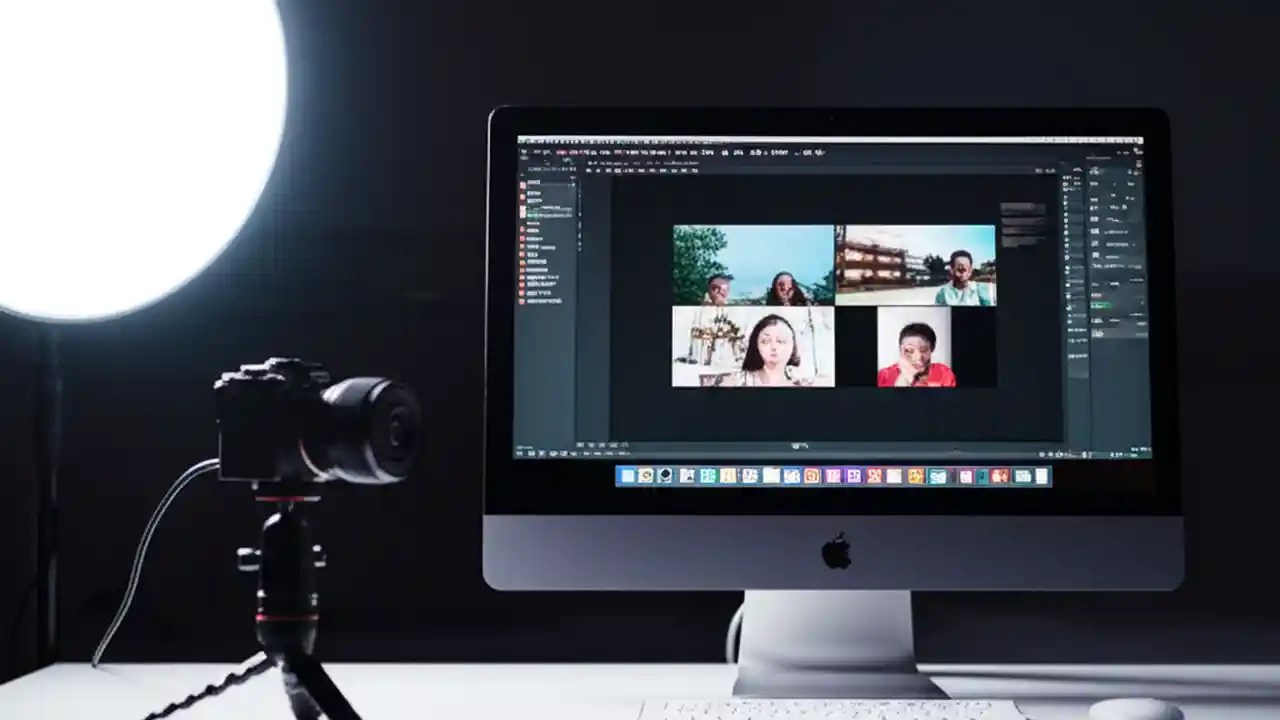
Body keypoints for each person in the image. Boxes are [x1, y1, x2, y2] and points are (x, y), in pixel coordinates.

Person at [712, 314, 829, 386]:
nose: (774, 347)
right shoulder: (734, 382)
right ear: (756, 345)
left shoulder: (803, 384)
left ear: (793, 346)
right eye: (766, 341)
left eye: (781, 341)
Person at [876, 322, 957, 388]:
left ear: (932, 349)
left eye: (923, 350)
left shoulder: (945, 374)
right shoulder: (883, 376)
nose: (918, 357)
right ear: (900, 350)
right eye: (909, 351)